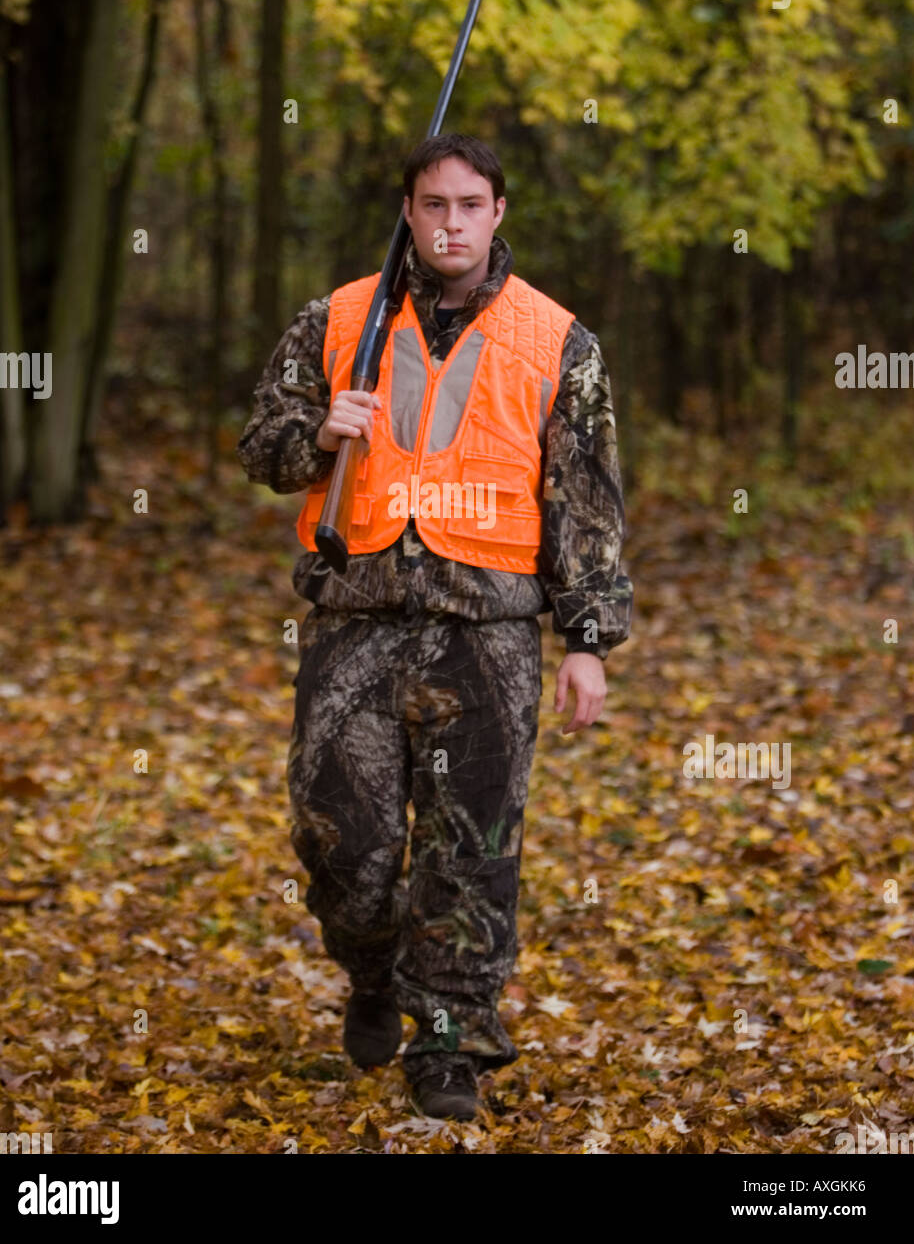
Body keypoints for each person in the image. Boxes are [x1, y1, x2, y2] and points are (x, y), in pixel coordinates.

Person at [237, 133, 633, 1122]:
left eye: (469, 203)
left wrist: (587, 637)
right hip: (354, 622)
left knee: (473, 845)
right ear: (407, 212)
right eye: (431, 204)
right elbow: (263, 444)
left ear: (498, 212)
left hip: (488, 631)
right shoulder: (338, 318)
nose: (449, 221)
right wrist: (318, 432)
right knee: (339, 840)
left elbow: (585, 499)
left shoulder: (558, 340)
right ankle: (373, 974)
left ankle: (449, 1039)